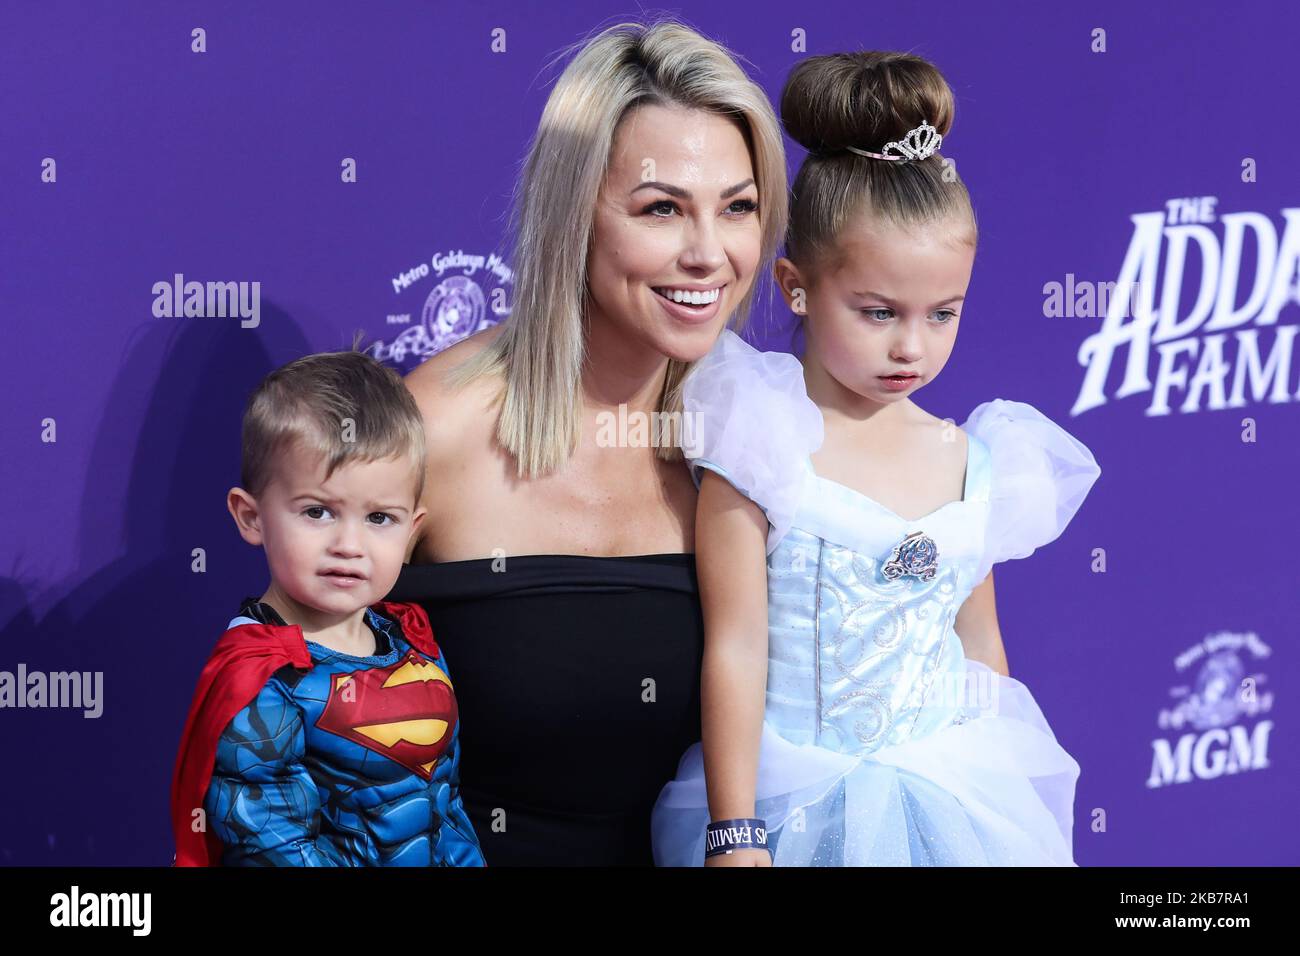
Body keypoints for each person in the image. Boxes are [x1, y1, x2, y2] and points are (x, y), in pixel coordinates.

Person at [651, 51, 1101, 866]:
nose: (911, 346)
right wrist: (735, 828)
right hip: (794, 812)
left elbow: (980, 648)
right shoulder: (759, 443)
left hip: (953, 809)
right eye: (878, 311)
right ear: (795, 285)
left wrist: (995, 783)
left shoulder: (973, 458)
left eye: (943, 314)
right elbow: (737, 646)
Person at [385, 19, 789, 865]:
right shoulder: (433, 432)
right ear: (575, 212)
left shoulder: (765, 445)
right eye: (661, 209)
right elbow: (295, 736)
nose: (709, 254)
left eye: (739, 207)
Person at [170, 350, 484, 866]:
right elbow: (271, 844)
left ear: (414, 529)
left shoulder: (413, 645)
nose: (349, 544)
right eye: (318, 511)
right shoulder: (263, 683)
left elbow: (445, 809)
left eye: (380, 518)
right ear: (251, 517)